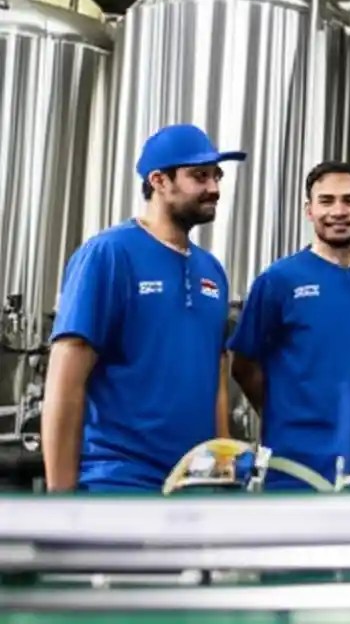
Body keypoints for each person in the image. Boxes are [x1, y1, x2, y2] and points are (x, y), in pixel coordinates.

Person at [41, 124, 245, 492]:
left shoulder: (211, 270)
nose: (214, 188)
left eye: (217, 176)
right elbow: (64, 382)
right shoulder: (109, 254)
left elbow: (216, 378)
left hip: (192, 487)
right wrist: (61, 504)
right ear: (159, 181)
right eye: (199, 176)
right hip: (119, 485)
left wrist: (222, 469)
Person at [227, 161, 350, 490]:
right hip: (294, 470)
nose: (339, 211)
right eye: (326, 201)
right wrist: (284, 413)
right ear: (308, 210)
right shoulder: (278, 281)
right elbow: (244, 366)